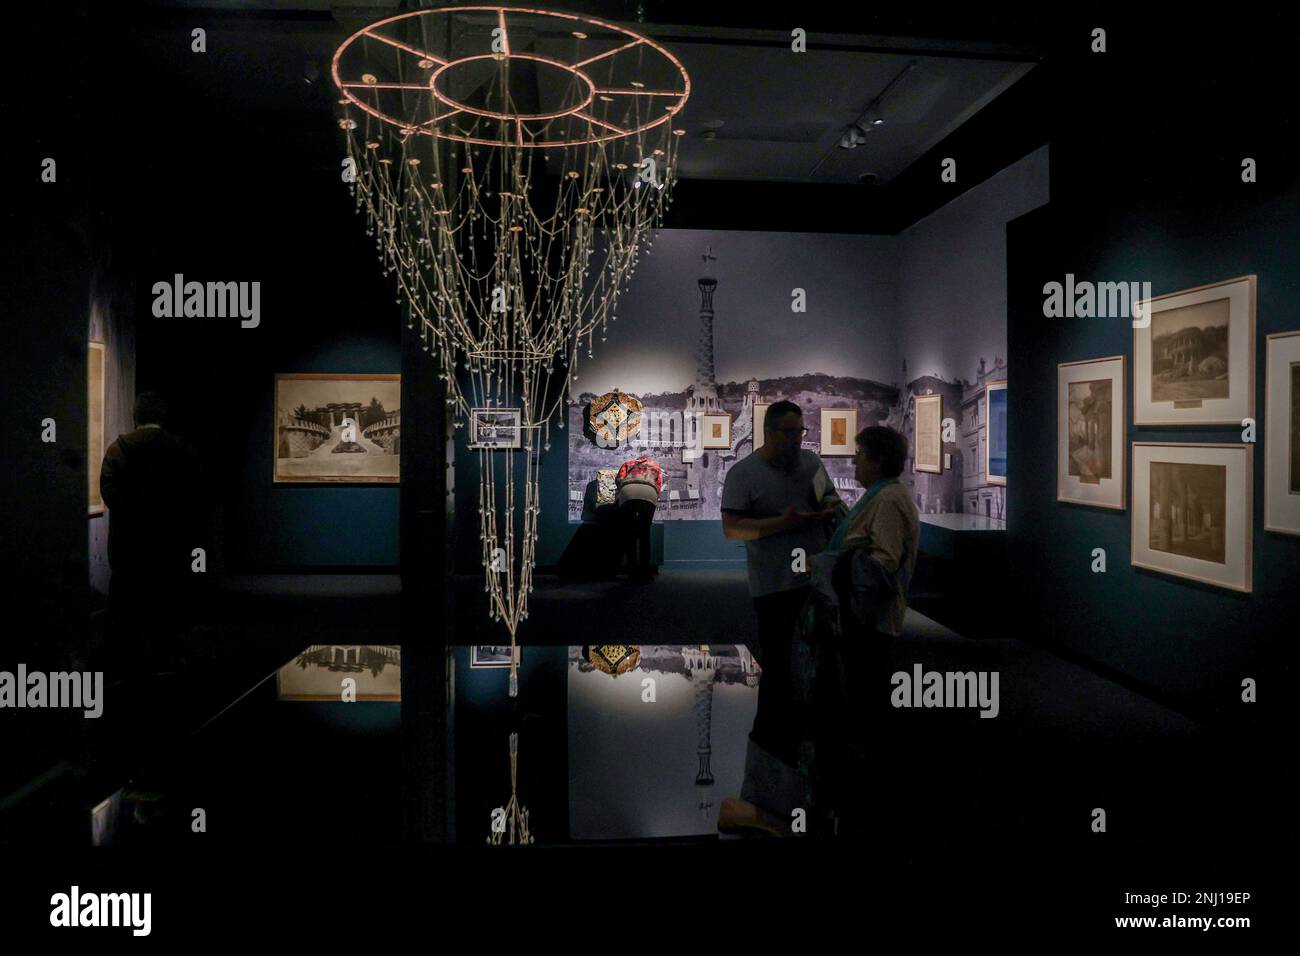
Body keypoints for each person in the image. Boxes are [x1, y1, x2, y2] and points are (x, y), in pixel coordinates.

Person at [716, 400, 846, 835]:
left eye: (800, 432)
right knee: (777, 670)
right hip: (773, 587)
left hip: (813, 582)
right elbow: (733, 529)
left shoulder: (810, 462)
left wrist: (830, 510)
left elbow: (831, 497)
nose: (797, 440)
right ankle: (775, 753)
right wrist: (783, 523)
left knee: (820, 661)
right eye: (789, 433)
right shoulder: (742, 474)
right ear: (768, 432)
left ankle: (810, 739)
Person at [798, 425, 920, 834]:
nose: (854, 463)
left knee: (865, 696)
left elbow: (882, 563)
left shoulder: (887, 500)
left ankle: (865, 782)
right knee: (862, 696)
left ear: (877, 460)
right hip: (862, 618)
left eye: (859, 456)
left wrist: (838, 566)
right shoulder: (885, 495)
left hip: (868, 622)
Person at [100, 391, 199, 674]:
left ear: (136, 416)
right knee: (168, 605)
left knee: (125, 606)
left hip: (129, 545)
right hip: (171, 544)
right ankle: (166, 659)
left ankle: (123, 663)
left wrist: (135, 514)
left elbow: (110, 494)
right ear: (163, 417)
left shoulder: (119, 450)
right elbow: (195, 498)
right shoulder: (181, 449)